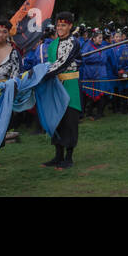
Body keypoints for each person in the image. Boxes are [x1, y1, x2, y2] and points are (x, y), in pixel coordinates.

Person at [42, 13, 82, 169]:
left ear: (70, 26)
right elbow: (50, 63)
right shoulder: (53, 44)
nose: (60, 28)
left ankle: (69, 157)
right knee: (56, 119)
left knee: (69, 120)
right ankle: (58, 156)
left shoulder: (74, 43)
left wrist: (42, 75)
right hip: (55, 84)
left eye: (63, 25)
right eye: (58, 25)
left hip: (70, 84)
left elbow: (62, 63)